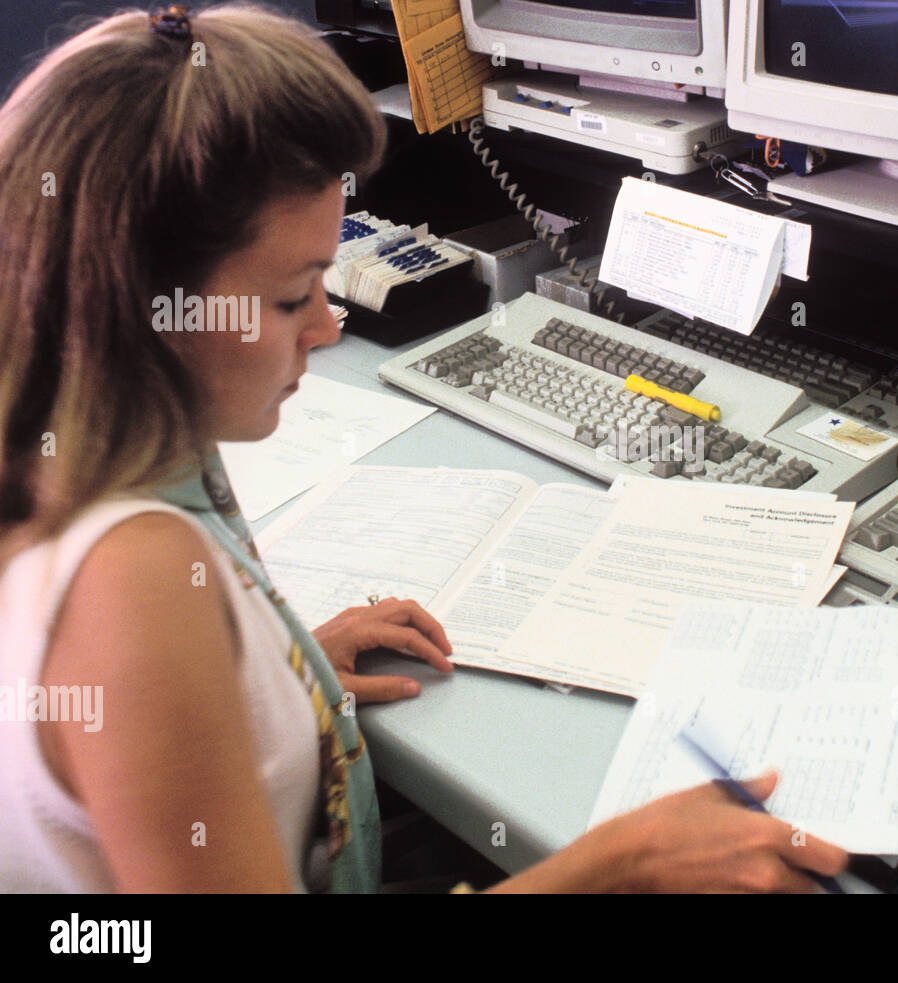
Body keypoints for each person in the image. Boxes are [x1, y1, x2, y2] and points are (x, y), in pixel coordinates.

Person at [0, 2, 849, 893]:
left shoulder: (89, 448)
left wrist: (278, 678)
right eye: (293, 297)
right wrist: (618, 864)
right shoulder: (129, 584)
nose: (329, 330)